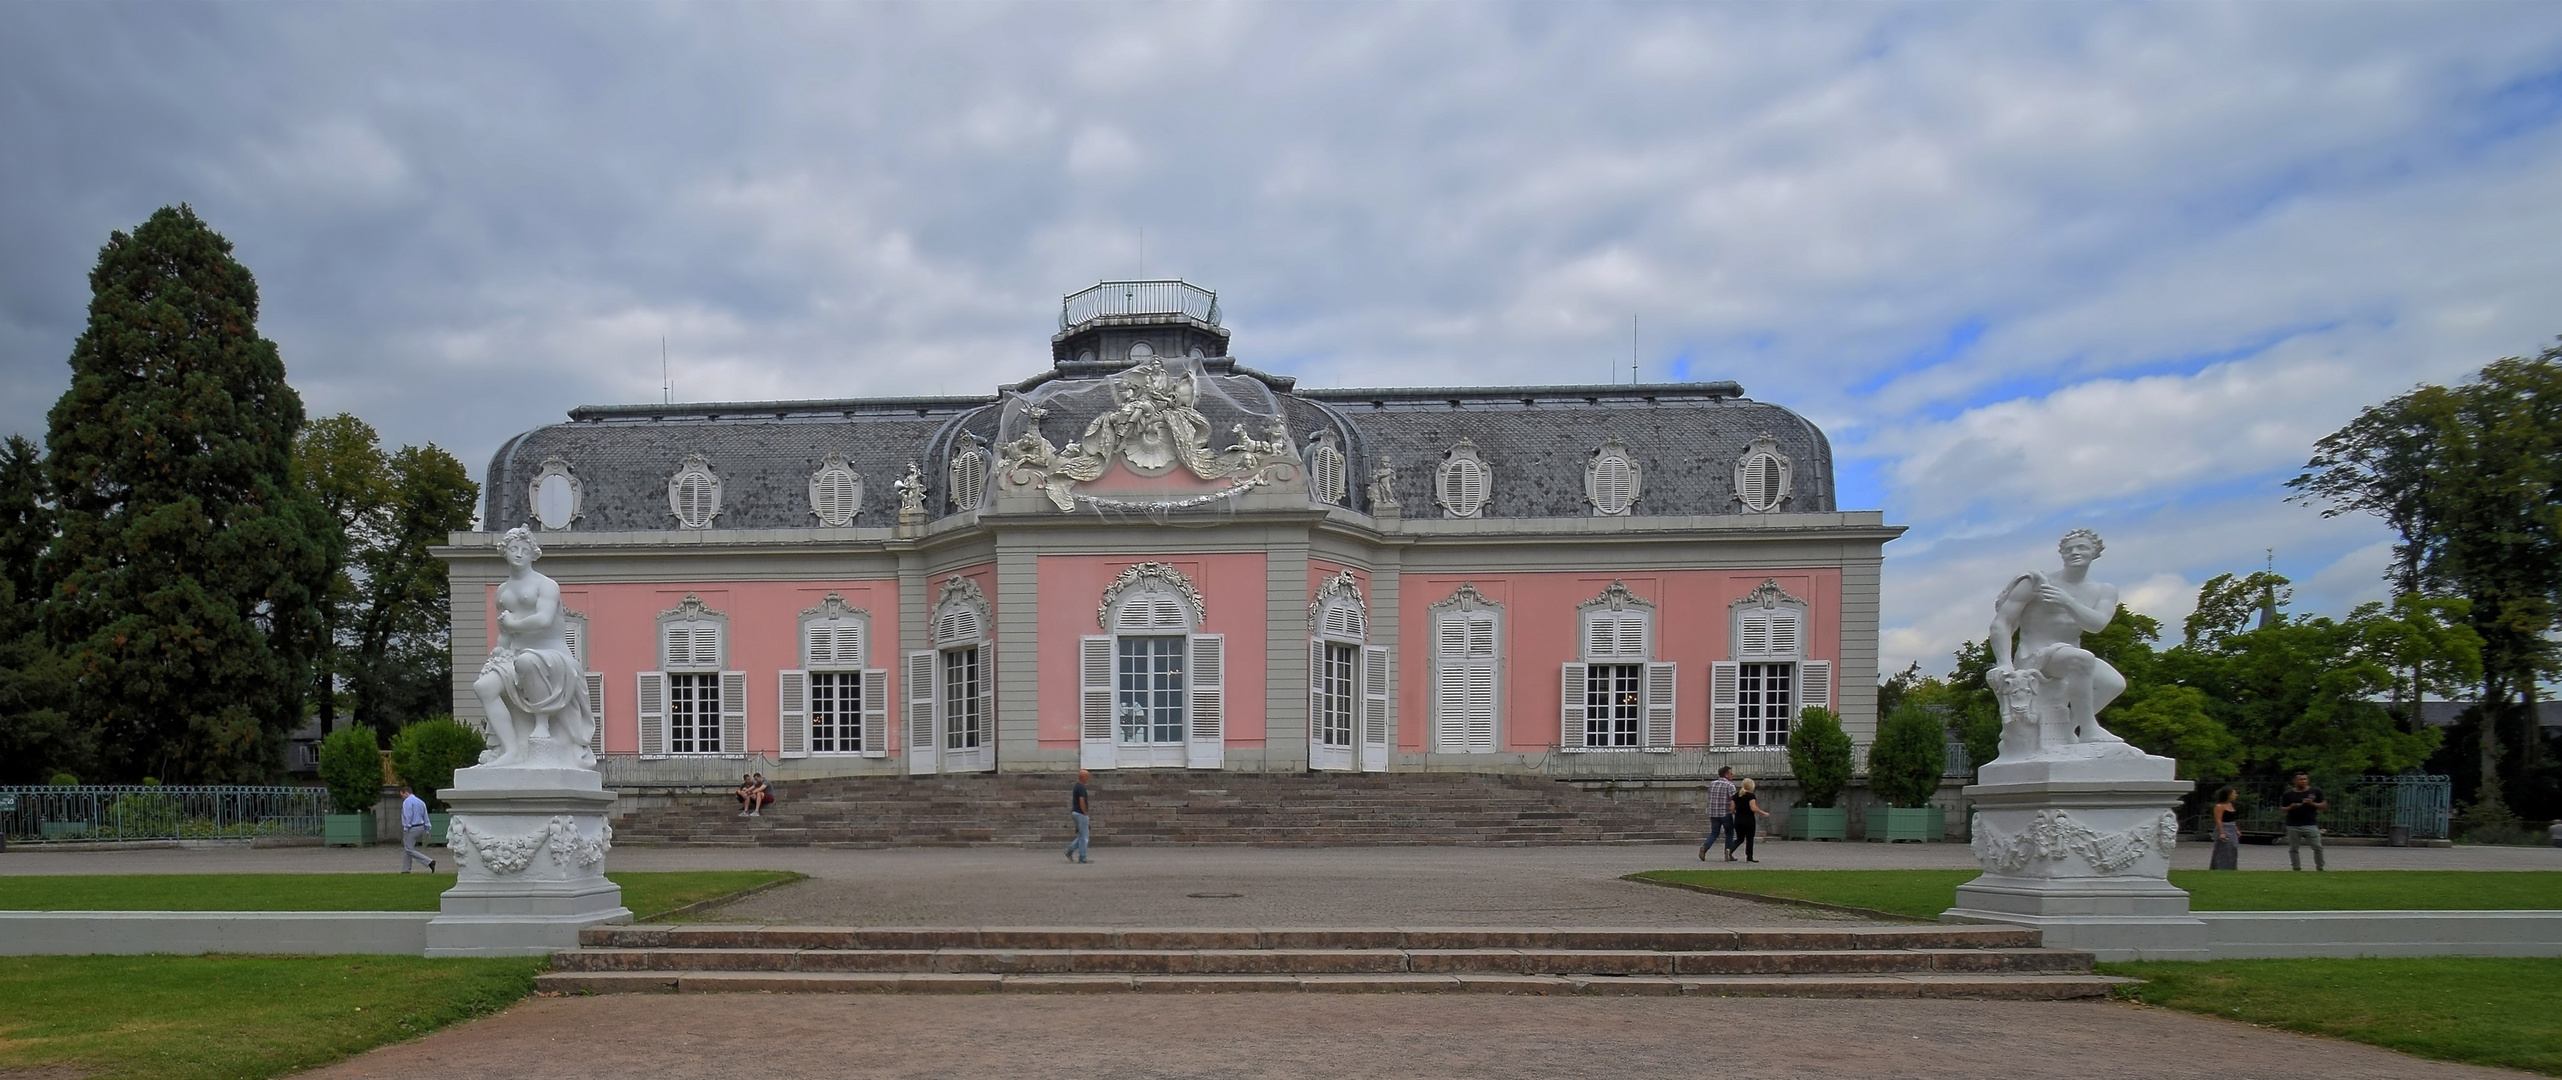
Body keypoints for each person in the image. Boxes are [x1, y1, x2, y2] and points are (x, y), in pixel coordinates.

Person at [2279, 772, 2326, 871]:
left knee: (2317, 846)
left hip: (2310, 823)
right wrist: (2291, 807)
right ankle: (2296, 868)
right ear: (2295, 781)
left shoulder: (2315, 791)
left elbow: (2324, 806)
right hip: (2293, 824)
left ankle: (2320, 867)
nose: (2303, 781)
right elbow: (2282, 809)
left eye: (2305, 779)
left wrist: (2312, 803)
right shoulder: (2288, 794)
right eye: (2301, 779)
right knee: (2293, 848)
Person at [1723, 778, 1772, 863]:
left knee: (1739, 838)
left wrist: (1737, 813)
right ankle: (1749, 857)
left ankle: (1729, 849)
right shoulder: (1751, 796)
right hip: (1749, 820)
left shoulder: (1736, 795)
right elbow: (1753, 808)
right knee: (1749, 839)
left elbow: (1731, 808)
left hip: (1738, 820)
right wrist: (1763, 813)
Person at [1699, 766, 1737, 861]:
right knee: (1729, 833)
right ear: (1726, 774)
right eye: (1731, 773)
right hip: (1725, 813)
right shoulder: (1730, 785)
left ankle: (1704, 848)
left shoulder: (1712, 784)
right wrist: (1735, 810)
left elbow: (1709, 796)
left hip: (1713, 812)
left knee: (1714, 833)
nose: (1732, 775)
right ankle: (1728, 853)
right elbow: (1734, 799)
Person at [398, 785, 436, 874]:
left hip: (412, 827)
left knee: (409, 849)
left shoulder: (407, 802)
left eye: (402, 795)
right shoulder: (421, 802)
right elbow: (425, 816)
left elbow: (408, 815)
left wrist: (406, 827)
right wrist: (427, 829)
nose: (402, 797)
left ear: (406, 793)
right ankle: (406, 869)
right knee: (408, 848)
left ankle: (429, 861)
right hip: (421, 826)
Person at [2209, 786, 2240, 870]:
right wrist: (2222, 832)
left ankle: (2231, 867)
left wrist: (2236, 830)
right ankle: (2220, 867)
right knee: (2223, 848)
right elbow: (2218, 820)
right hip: (2224, 827)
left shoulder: (2231, 805)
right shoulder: (2219, 806)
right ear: (2228, 794)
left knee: (2233, 847)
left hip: (2232, 827)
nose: (2235, 795)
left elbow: (2233, 819)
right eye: (2233, 793)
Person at [1066, 770, 1092, 863]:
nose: (1088, 779)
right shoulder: (1081, 787)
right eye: (1087, 777)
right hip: (1080, 813)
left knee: (1082, 835)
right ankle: (1082, 857)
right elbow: (1082, 801)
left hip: (1075, 812)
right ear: (1083, 777)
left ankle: (1070, 850)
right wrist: (1085, 813)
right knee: (1084, 836)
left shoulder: (1077, 786)